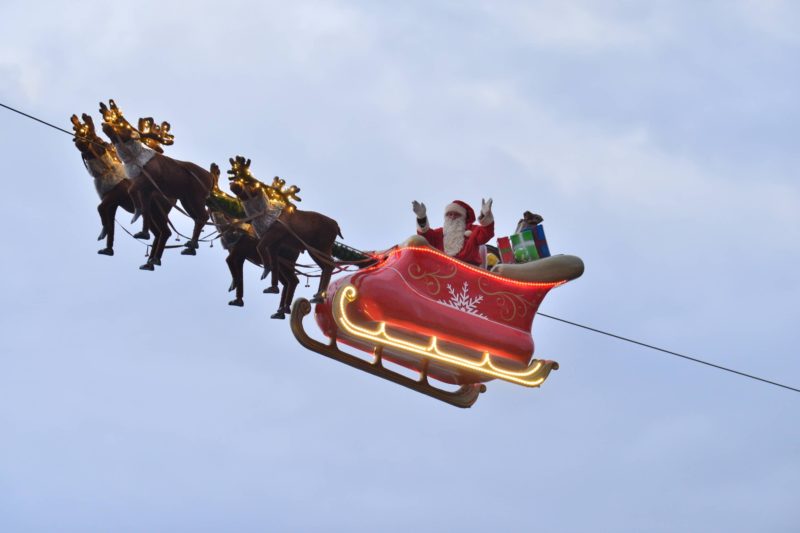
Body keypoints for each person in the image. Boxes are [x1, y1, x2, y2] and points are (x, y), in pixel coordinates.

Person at [411, 199, 494, 266]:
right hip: (443, 271)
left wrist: (485, 216)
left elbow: (486, 233)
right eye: (449, 214)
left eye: (456, 214)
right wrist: (421, 217)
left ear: (463, 217)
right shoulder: (440, 233)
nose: (452, 217)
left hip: (468, 272)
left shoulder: (473, 229)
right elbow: (425, 237)